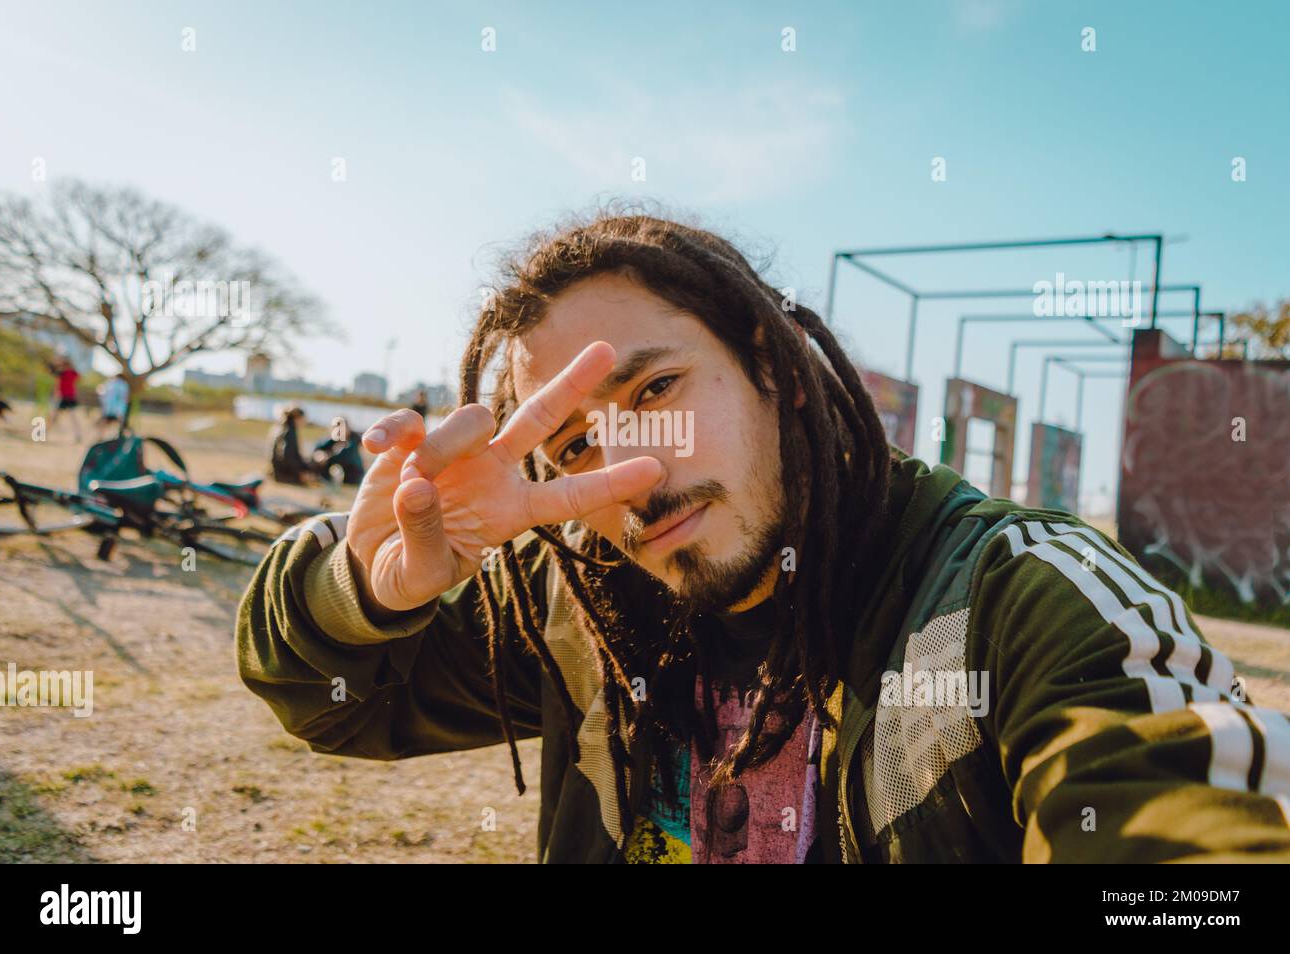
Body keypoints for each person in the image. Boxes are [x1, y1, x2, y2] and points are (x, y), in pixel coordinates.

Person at [237, 210, 1290, 864]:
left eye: (655, 388)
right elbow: (333, 706)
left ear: (777, 367)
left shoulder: (1011, 600)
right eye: (571, 450)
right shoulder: (583, 606)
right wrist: (368, 592)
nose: (632, 475)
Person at [311, 416, 366, 486]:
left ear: (347, 428)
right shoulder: (334, 439)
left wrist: (326, 456)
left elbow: (344, 454)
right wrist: (319, 454)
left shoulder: (353, 439)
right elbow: (320, 448)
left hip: (354, 476)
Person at [268, 404, 312, 485]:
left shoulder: (283, 428)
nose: (305, 421)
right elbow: (289, 456)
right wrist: (300, 473)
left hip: (277, 471)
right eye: (303, 418)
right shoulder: (289, 432)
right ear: (297, 418)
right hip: (284, 474)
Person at [47, 352, 84, 442]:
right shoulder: (69, 373)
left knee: (58, 416)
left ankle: (78, 435)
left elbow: (57, 384)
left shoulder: (64, 373)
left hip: (66, 397)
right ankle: (45, 433)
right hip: (66, 396)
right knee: (56, 417)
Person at [95, 373, 130, 439]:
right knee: (120, 424)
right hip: (118, 410)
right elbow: (125, 397)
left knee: (105, 423)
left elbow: (101, 391)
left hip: (109, 409)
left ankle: (100, 436)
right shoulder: (123, 384)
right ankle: (120, 437)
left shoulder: (110, 383)